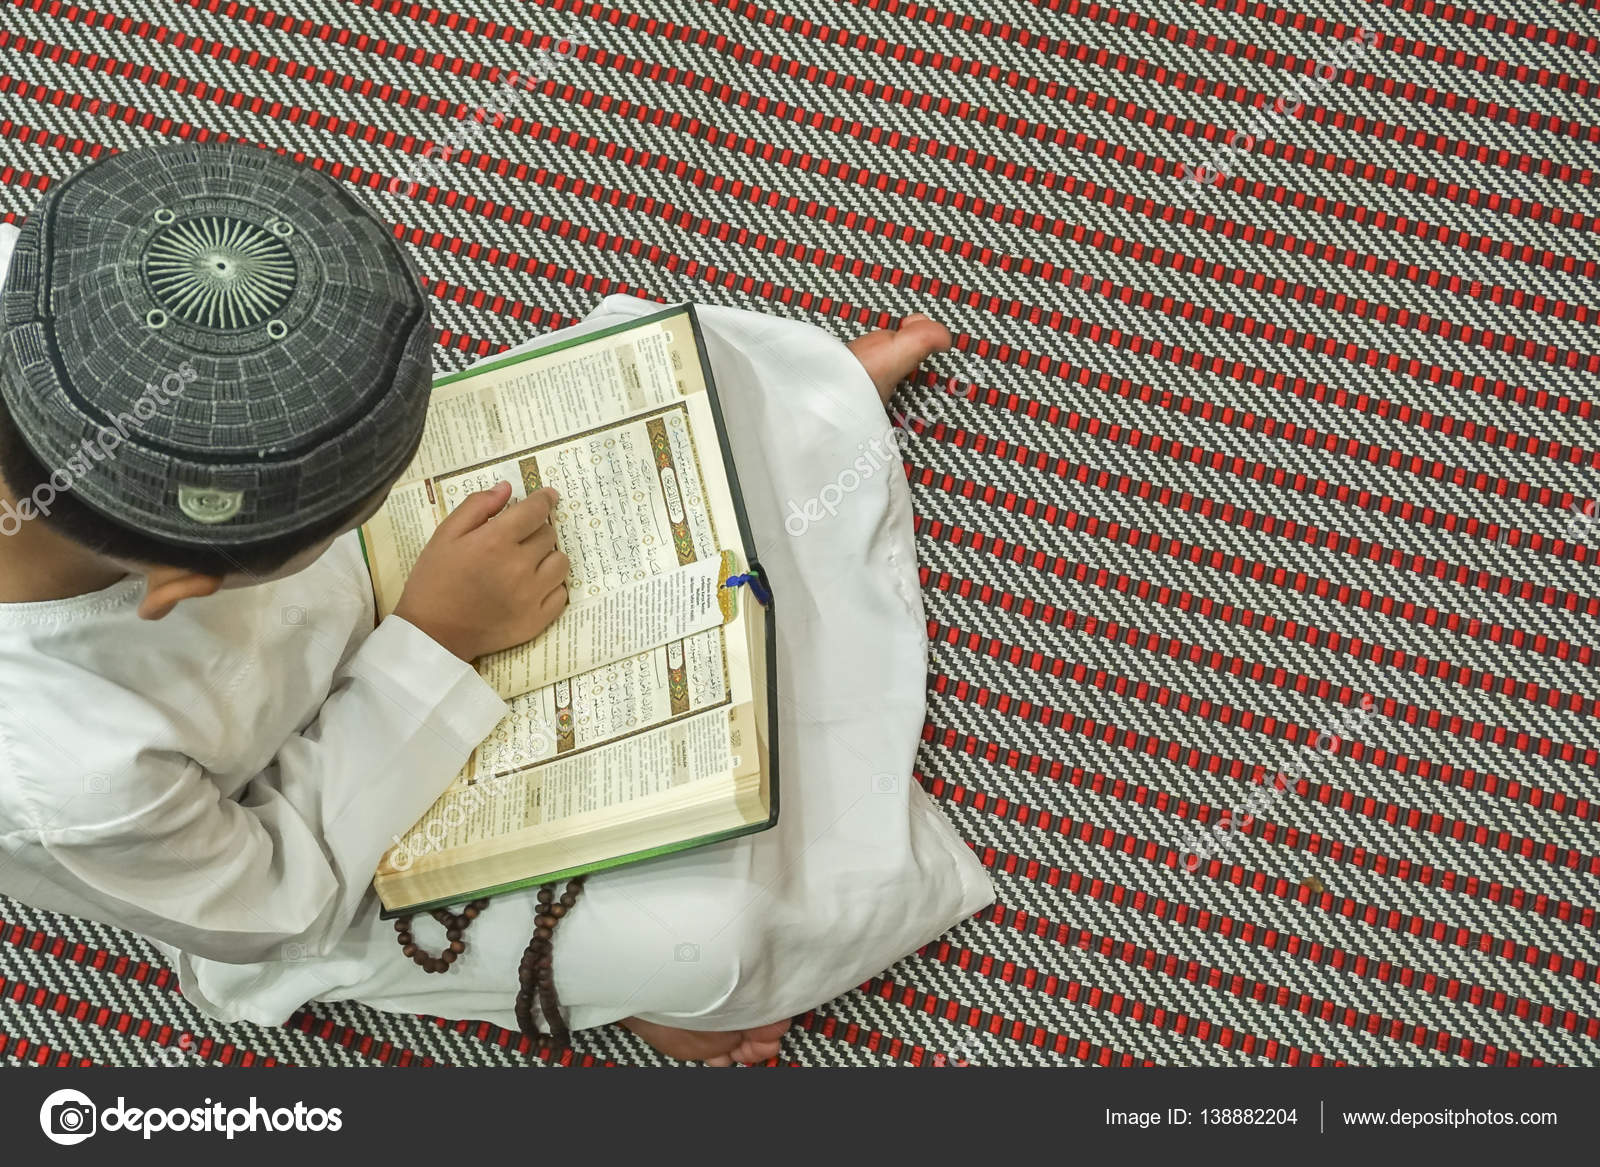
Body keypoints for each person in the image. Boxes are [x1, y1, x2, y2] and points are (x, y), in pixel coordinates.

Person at [0, 144, 992, 1066]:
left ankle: (792, 424)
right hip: (318, 808)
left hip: (380, 570)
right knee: (709, 942)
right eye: (358, 501)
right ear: (185, 587)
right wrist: (433, 646)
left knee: (654, 370)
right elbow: (265, 900)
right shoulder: (77, 780)